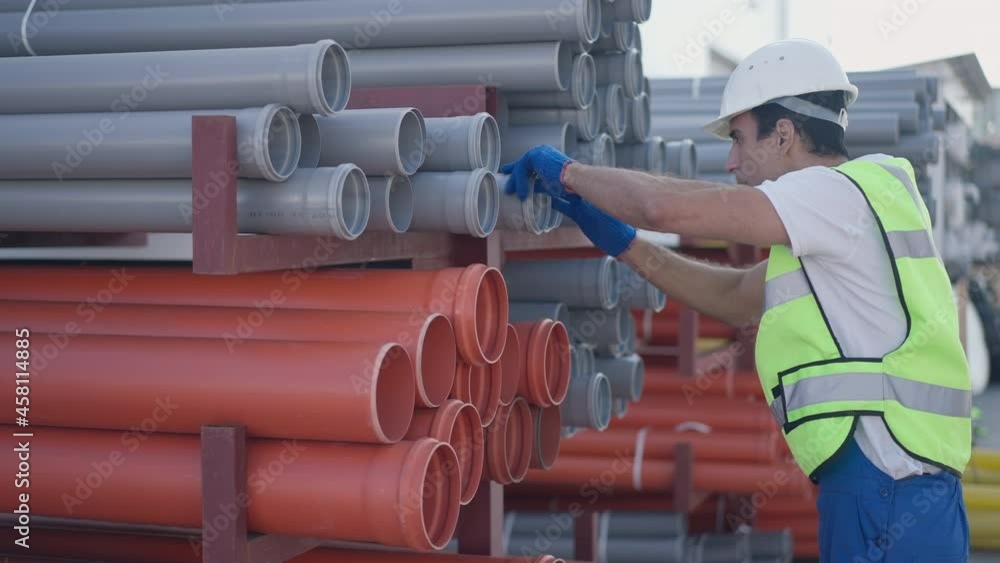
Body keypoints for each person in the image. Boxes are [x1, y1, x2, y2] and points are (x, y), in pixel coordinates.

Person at [502, 39, 971, 562]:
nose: (730, 162)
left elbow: (661, 208)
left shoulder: (833, 195)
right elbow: (733, 297)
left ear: (784, 135)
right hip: (897, 491)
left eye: (739, 139)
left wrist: (568, 173)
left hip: (886, 494)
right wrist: (623, 242)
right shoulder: (850, 213)